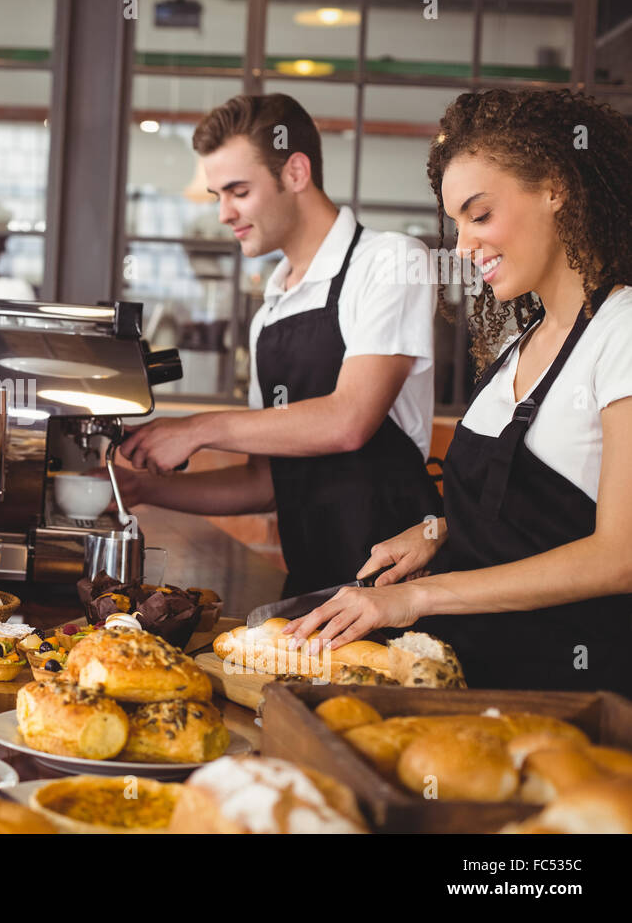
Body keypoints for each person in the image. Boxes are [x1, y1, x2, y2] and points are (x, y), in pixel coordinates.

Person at [282, 89, 632, 696]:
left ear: (556, 187)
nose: (464, 246)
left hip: (575, 698)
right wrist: (437, 532)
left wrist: (420, 597)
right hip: (478, 682)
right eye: (457, 223)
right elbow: (530, 512)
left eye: (480, 214)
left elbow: (618, 555)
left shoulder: (622, 329)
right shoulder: (518, 345)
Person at [117, 94, 441, 597]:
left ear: (294, 172)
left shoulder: (391, 261)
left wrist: (199, 429)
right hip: (310, 588)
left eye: (238, 191)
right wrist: (143, 488)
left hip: (397, 590)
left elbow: (348, 421)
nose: (224, 213)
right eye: (217, 194)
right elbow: (266, 484)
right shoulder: (270, 311)